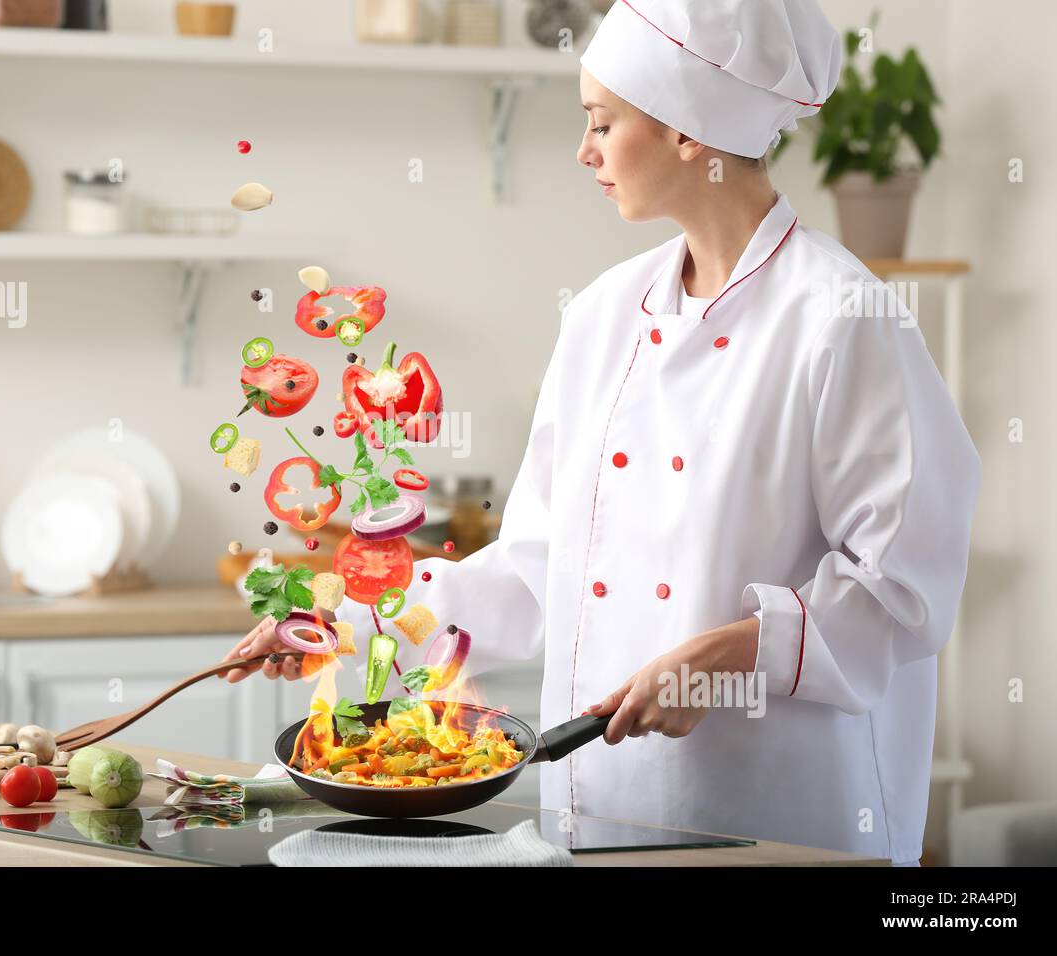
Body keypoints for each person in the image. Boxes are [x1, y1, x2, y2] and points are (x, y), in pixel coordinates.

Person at [223, 0, 980, 866]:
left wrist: (728, 654)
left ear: (691, 131)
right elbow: (538, 565)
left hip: (784, 815)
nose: (584, 151)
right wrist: (351, 621)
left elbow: (905, 595)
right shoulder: (602, 316)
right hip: (605, 807)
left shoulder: (844, 318)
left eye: (602, 122)